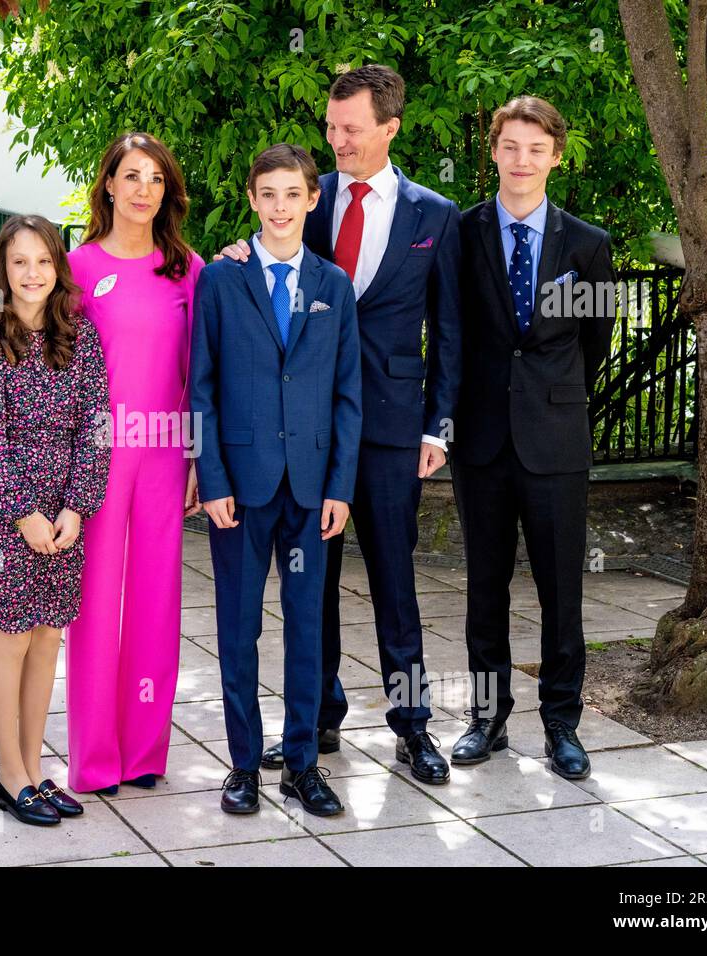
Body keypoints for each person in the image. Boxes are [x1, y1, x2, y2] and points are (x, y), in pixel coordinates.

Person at [219, 65, 462, 786]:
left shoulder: (434, 215)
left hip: (390, 430)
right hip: (305, 432)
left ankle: (412, 727)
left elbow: (449, 332)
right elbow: (272, 256)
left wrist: (437, 428)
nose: (337, 138)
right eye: (331, 126)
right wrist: (237, 251)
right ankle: (316, 721)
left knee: (394, 581)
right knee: (310, 584)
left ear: (390, 128)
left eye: (350, 128)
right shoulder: (309, 196)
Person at [191, 144, 362, 817]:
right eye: (269, 194)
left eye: (294, 194)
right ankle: (241, 764)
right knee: (237, 627)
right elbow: (200, 387)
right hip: (241, 483)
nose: (281, 206)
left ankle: (301, 764)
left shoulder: (334, 285)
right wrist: (211, 478)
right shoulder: (221, 281)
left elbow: (348, 393)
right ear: (252, 198)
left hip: (312, 488)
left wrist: (341, 487)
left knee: (305, 628)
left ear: (312, 199)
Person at [449, 96, 616, 779]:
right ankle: (486, 721)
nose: (522, 161)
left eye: (536, 149)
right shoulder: (462, 233)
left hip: (555, 442)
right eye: (511, 146)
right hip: (481, 441)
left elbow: (595, 343)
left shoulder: (587, 244)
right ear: (493, 151)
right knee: (484, 587)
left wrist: (554, 400)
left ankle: (561, 725)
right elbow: (452, 332)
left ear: (555, 156)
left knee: (561, 592)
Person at [63, 132, 205, 794]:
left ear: (166, 192)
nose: (143, 188)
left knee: (155, 600)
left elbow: (204, 373)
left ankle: (145, 752)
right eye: (131, 175)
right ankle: (93, 759)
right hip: (97, 454)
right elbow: (57, 369)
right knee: (94, 602)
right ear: (109, 186)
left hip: (166, 452)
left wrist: (203, 458)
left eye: (155, 178)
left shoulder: (190, 271)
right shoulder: (78, 267)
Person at [0, 215, 111, 826]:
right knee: (13, 637)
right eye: (19, 262)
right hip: (8, 520)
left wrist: (77, 507)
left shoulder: (80, 336)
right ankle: (7, 772)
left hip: (66, 518)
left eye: (43, 262)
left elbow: (97, 427)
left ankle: (33, 769)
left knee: (49, 638)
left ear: (59, 267)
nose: (32, 274)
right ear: (4, 270)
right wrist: (23, 513)